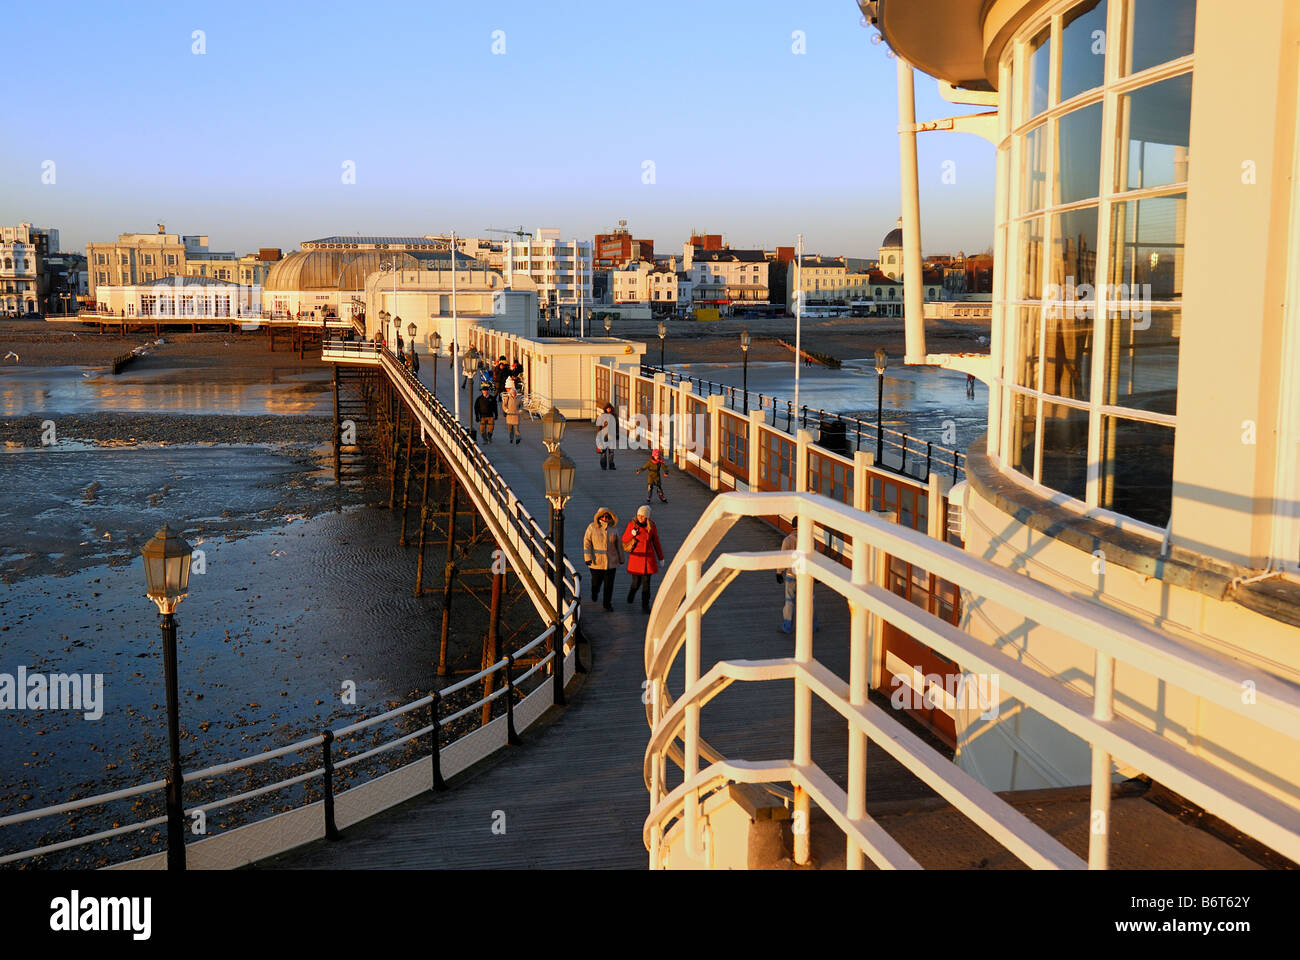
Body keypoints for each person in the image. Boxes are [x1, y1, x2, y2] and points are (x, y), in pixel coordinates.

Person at [622, 504, 664, 613]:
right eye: (639, 515)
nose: (640, 517)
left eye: (643, 516)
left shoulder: (652, 526)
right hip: (636, 558)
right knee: (636, 582)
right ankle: (631, 593)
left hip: (648, 559)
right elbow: (624, 539)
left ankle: (645, 605)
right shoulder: (632, 525)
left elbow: (656, 542)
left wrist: (661, 557)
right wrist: (632, 534)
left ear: (647, 517)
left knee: (647, 584)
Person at [776, 530, 818, 634]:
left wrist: (779, 572)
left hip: (791, 574)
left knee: (789, 601)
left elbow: (783, 558)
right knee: (809, 601)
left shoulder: (787, 540)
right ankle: (812, 626)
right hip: (806, 576)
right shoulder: (811, 540)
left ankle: (787, 626)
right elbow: (816, 557)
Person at [583, 507, 625, 611]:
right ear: (598, 517)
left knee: (609, 585)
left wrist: (621, 558)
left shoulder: (614, 529)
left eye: (607, 516)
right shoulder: (592, 527)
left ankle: (607, 604)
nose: (605, 518)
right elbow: (587, 542)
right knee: (596, 582)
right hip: (596, 562)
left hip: (611, 562)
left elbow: (618, 545)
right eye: (603, 516)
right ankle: (595, 591)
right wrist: (587, 557)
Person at [596, 402, 618, 470]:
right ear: (605, 409)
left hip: (612, 435)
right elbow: (599, 426)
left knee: (611, 452)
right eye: (607, 408)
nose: (608, 409)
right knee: (603, 452)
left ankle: (611, 465)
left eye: (609, 408)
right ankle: (603, 465)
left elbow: (617, 426)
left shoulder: (614, 416)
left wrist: (617, 434)